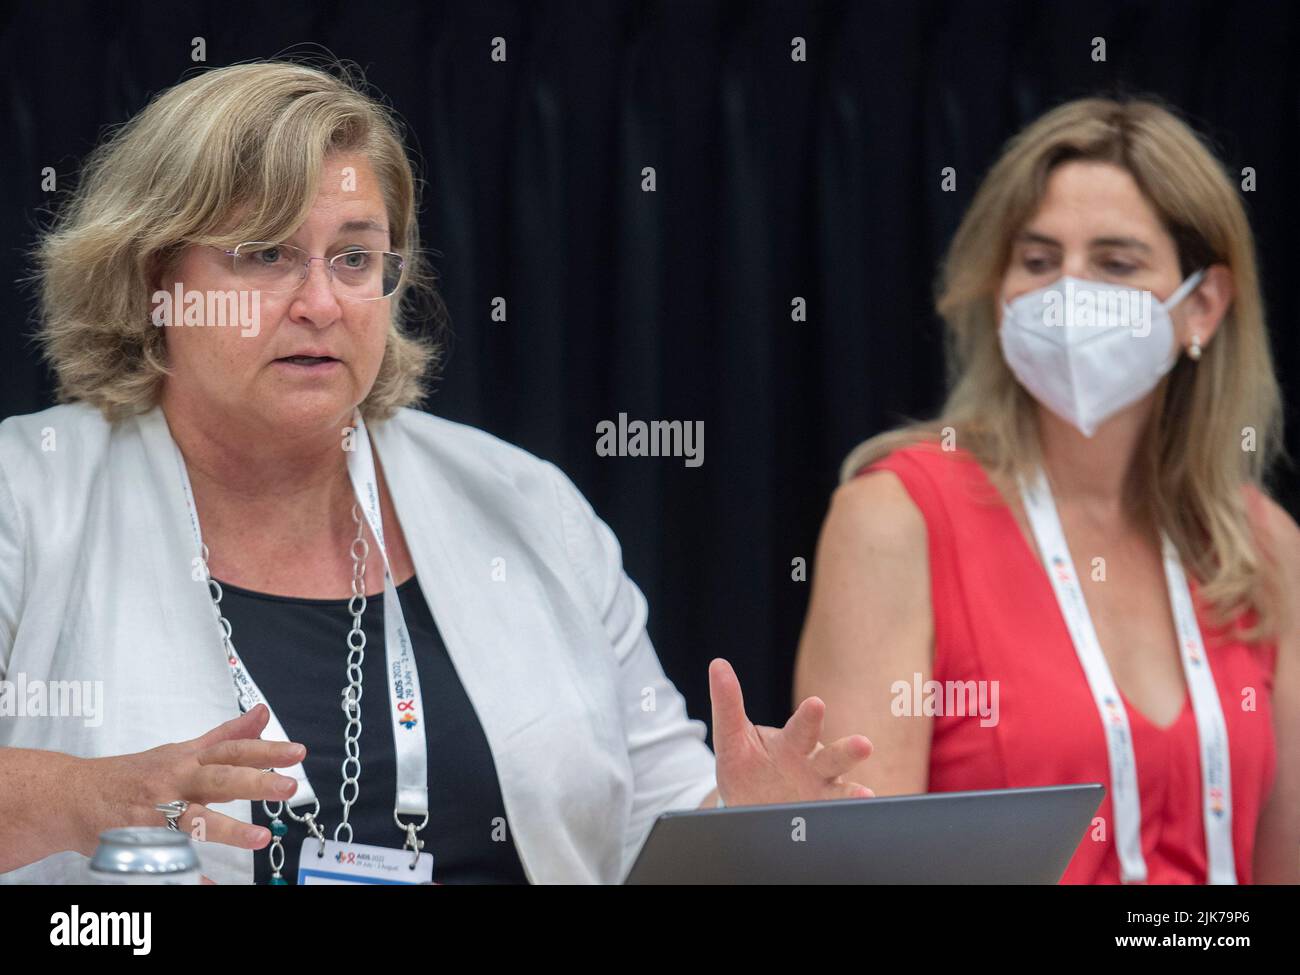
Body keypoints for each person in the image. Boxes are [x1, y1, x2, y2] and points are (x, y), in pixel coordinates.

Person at [0, 58, 873, 885]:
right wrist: (88, 796)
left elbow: (657, 825)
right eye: (264, 253)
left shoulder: (523, 501)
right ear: (156, 280)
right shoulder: (25, 495)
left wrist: (751, 823)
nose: (320, 301)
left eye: (354, 257)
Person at [794, 96, 1299, 884]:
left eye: (1115, 262)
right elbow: (861, 872)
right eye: (1037, 261)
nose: (1068, 292)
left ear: (1202, 305)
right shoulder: (897, 518)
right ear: (1000, 294)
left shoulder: (1265, 546)